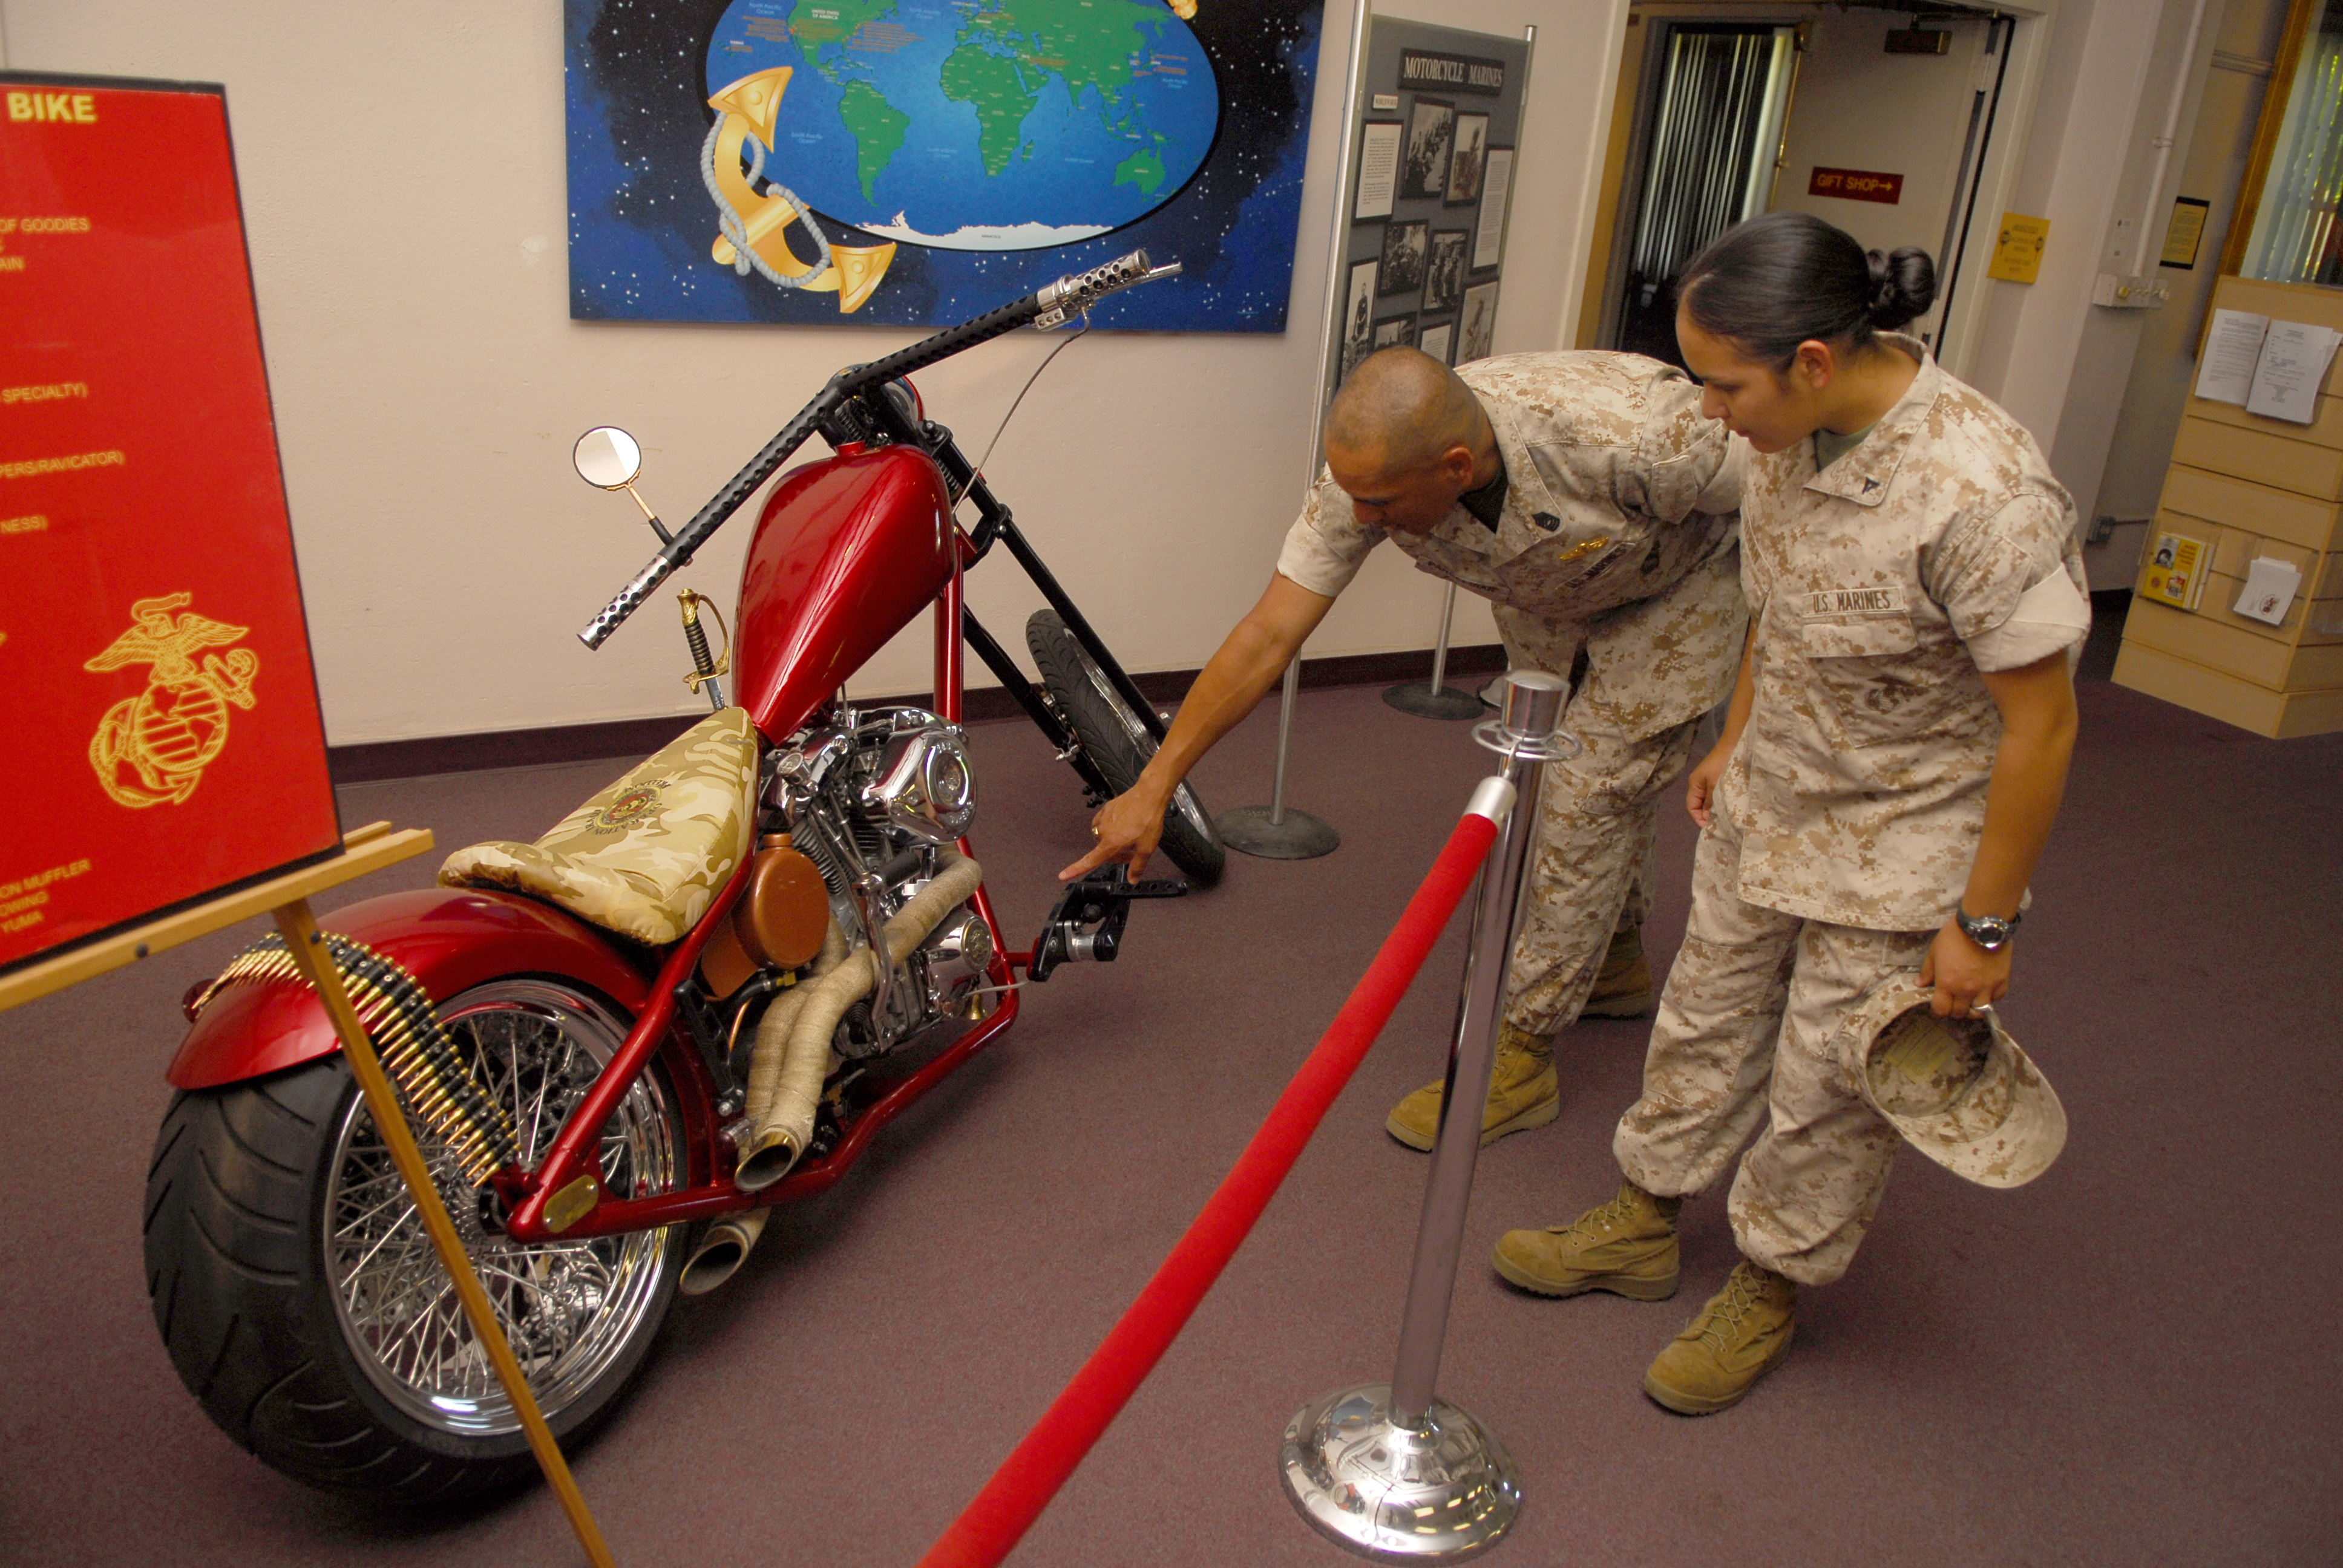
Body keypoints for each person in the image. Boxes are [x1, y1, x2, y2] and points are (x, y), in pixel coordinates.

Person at [1491, 212, 2089, 1415]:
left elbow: (2043, 727)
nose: (1705, 411)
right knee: (1701, 1016)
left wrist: (1981, 928)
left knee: (1827, 1078)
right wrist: (1734, 740)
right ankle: (1645, 1220)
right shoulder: (1784, 433)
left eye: (1720, 384)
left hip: (1905, 836)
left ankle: (1771, 1281)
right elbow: (1781, 605)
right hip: (1773, 795)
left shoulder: (1982, 491)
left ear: (1812, 360)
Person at [1059, 345, 1748, 1149]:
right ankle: (1617, 960)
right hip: (1557, 589)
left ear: (1456, 466)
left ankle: (1522, 1054)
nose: (1363, 520)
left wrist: (1747, 721)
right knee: (1559, 771)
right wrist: (1154, 786)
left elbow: (1784, 508)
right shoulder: (1364, 477)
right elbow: (1268, 635)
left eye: (1381, 504)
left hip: (1680, 591)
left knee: (1586, 798)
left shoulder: (1637, 437)